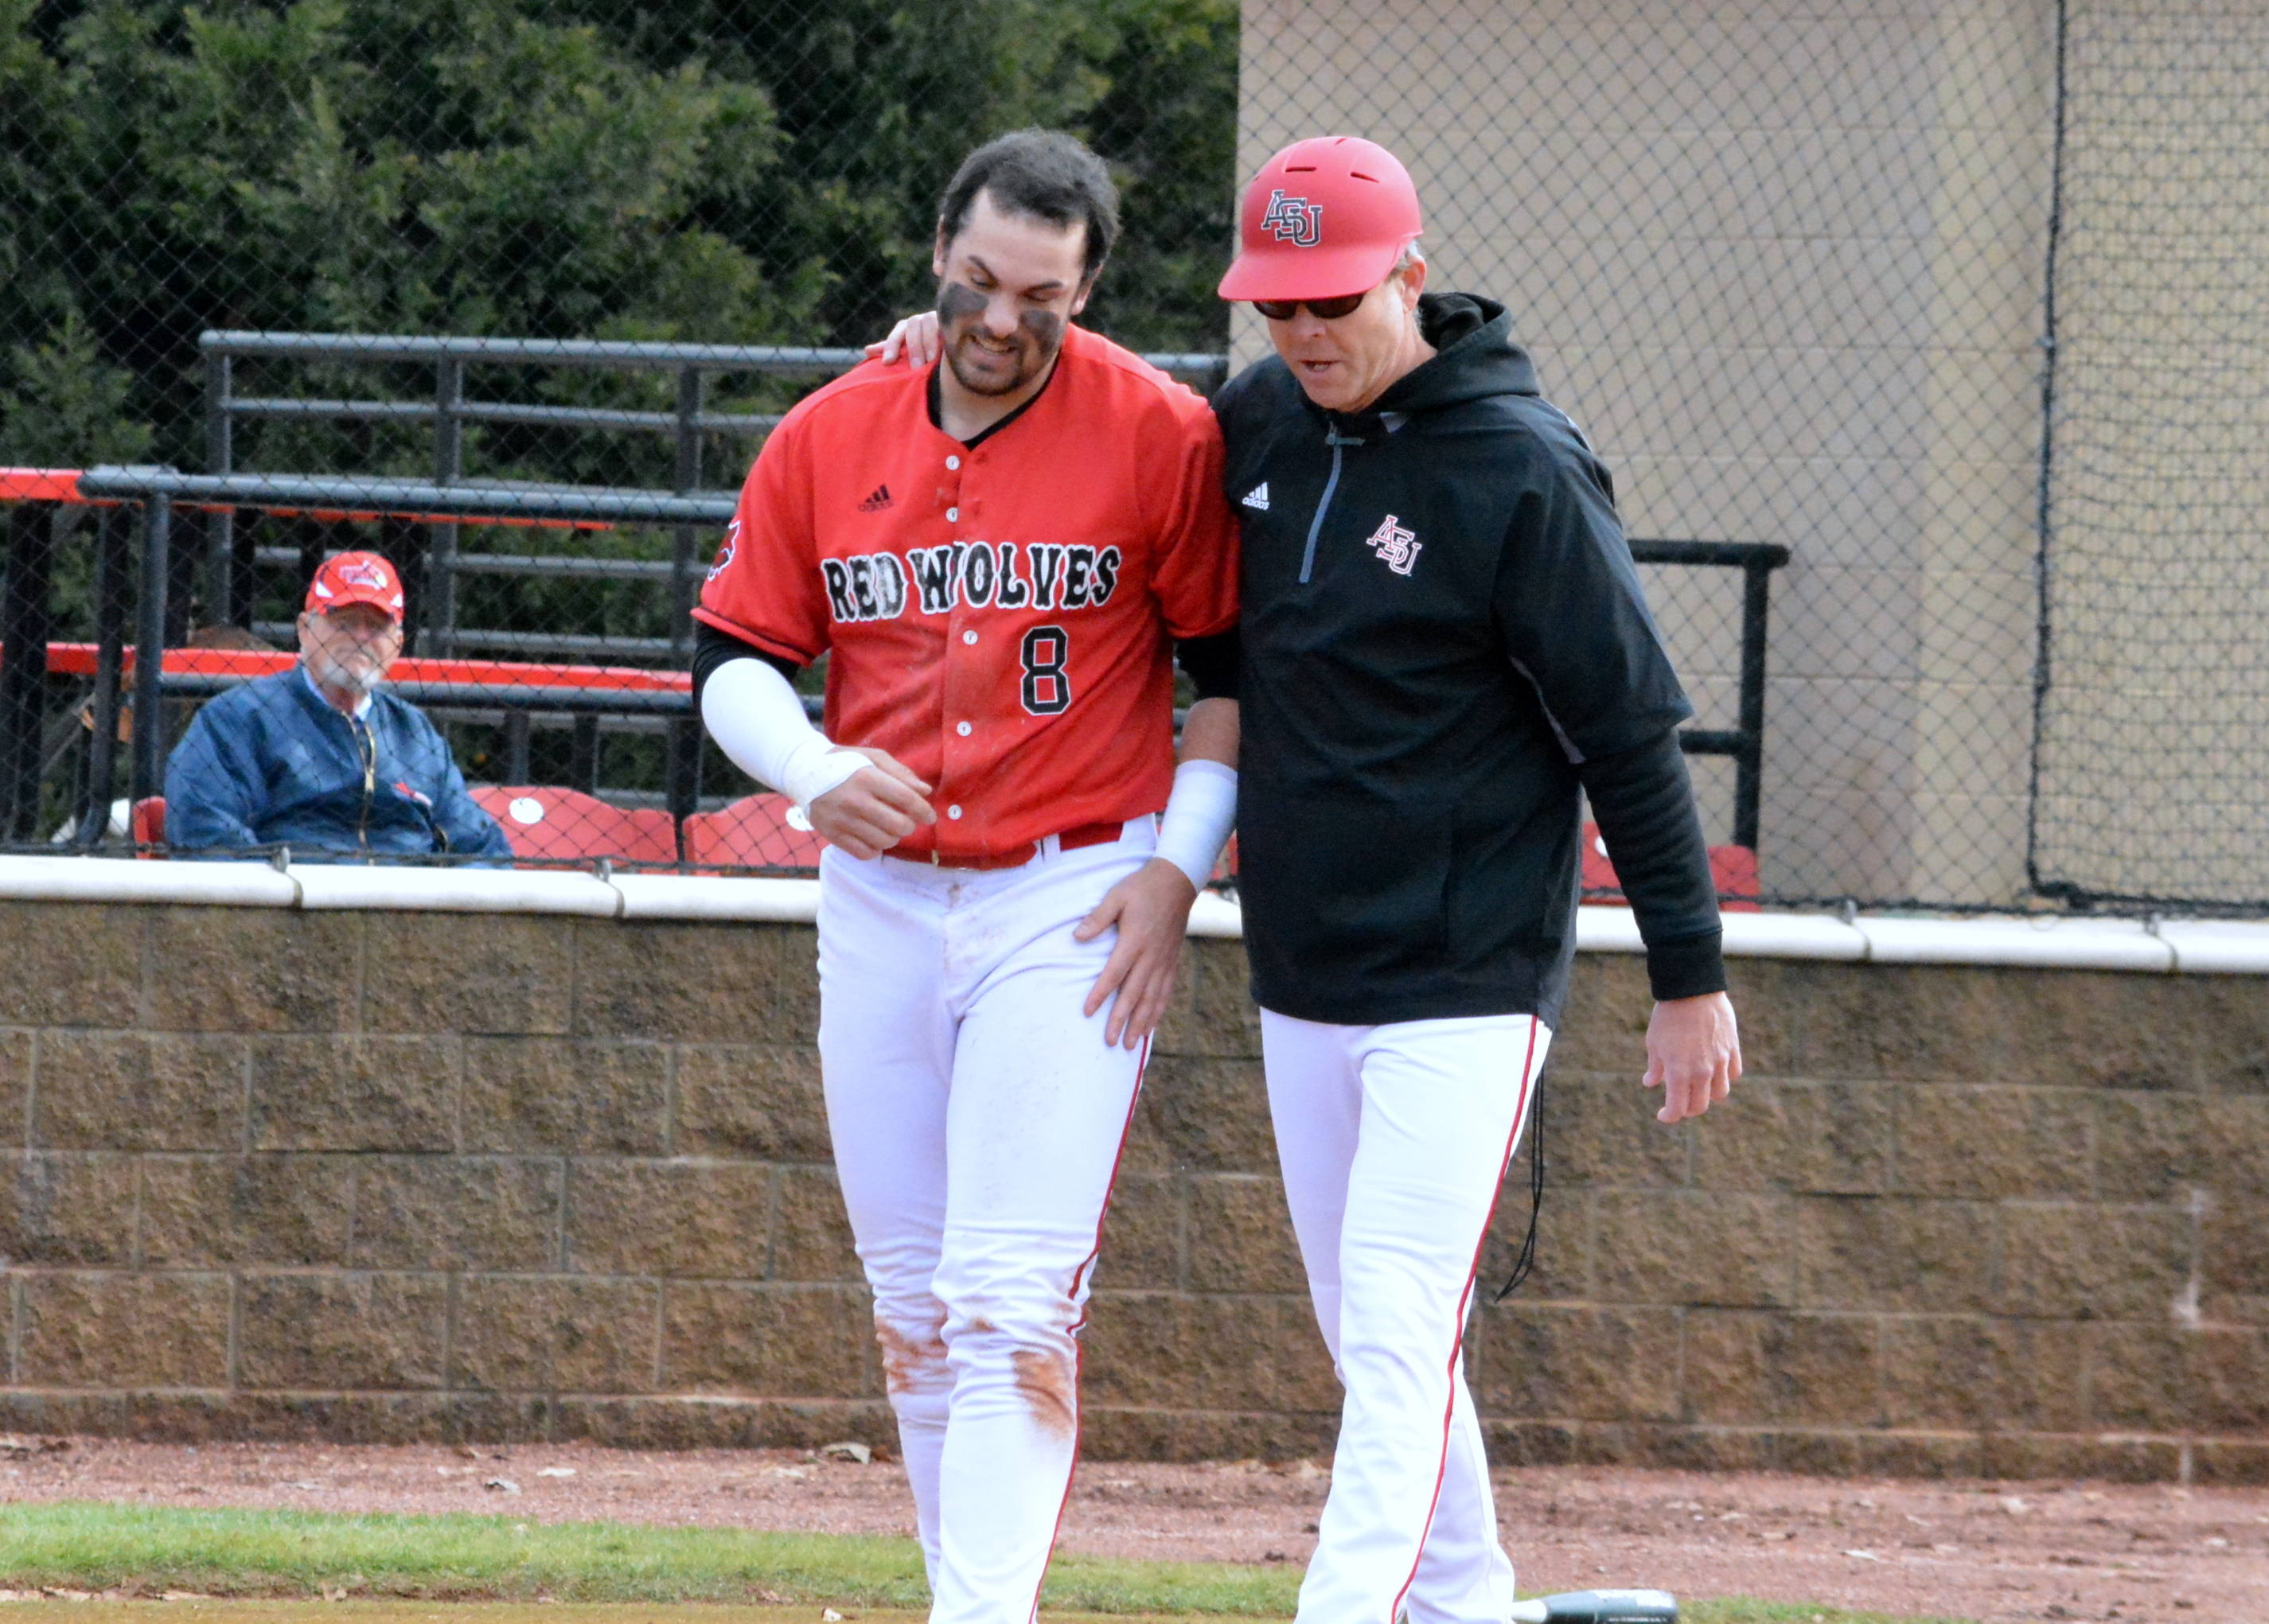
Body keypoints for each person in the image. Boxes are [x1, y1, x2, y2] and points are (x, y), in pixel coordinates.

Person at [689, 129, 1241, 1624]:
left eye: (1041, 297)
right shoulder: (829, 428)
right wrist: (807, 767)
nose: (1002, 321)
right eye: (980, 282)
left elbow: (1230, 675)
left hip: (1069, 891)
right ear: (939, 251)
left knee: (1007, 1298)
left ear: (1089, 290)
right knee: (912, 1308)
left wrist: (1177, 869)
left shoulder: (1159, 429)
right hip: (878, 896)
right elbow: (731, 657)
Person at [1212, 136, 1742, 1624]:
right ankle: (1461, 1602)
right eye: (1276, 306)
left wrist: (1688, 974)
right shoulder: (1256, 420)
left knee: (1394, 1316)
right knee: (1371, 1329)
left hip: (1466, 975)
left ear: (1410, 278)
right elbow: (1100, 438)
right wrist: (940, 346)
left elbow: (1625, 732)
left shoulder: (1520, 465)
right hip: (1302, 968)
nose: (1302, 333)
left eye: (1332, 300)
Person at [164, 551, 512, 860]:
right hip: (297, 900)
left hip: (411, 904)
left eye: (376, 626)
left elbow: (483, 849)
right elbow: (204, 833)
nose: (360, 637)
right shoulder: (236, 719)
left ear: (397, 644)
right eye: (343, 622)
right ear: (305, 630)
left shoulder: (415, 733)